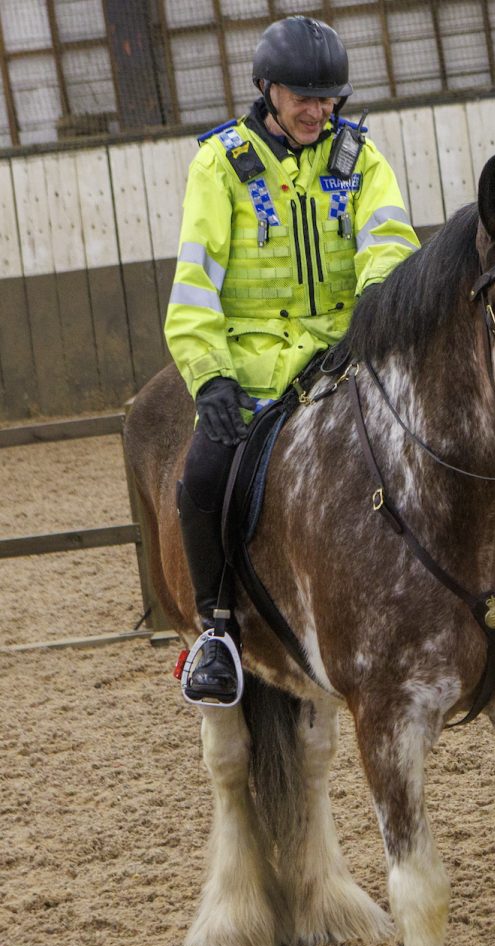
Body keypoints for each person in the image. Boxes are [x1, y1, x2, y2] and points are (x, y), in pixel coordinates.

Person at [164, 14, 420, 702]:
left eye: (327, 97)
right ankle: (216, 630)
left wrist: (369, 319)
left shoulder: (359, 158)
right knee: (203, 478)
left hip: (346, 357)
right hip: (251, 368)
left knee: (453, 418)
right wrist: (209, 374)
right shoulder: (220, 164)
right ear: (266, 90)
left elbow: (389, 244)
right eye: (303, 98)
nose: (318, 111)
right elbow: (195, 281)